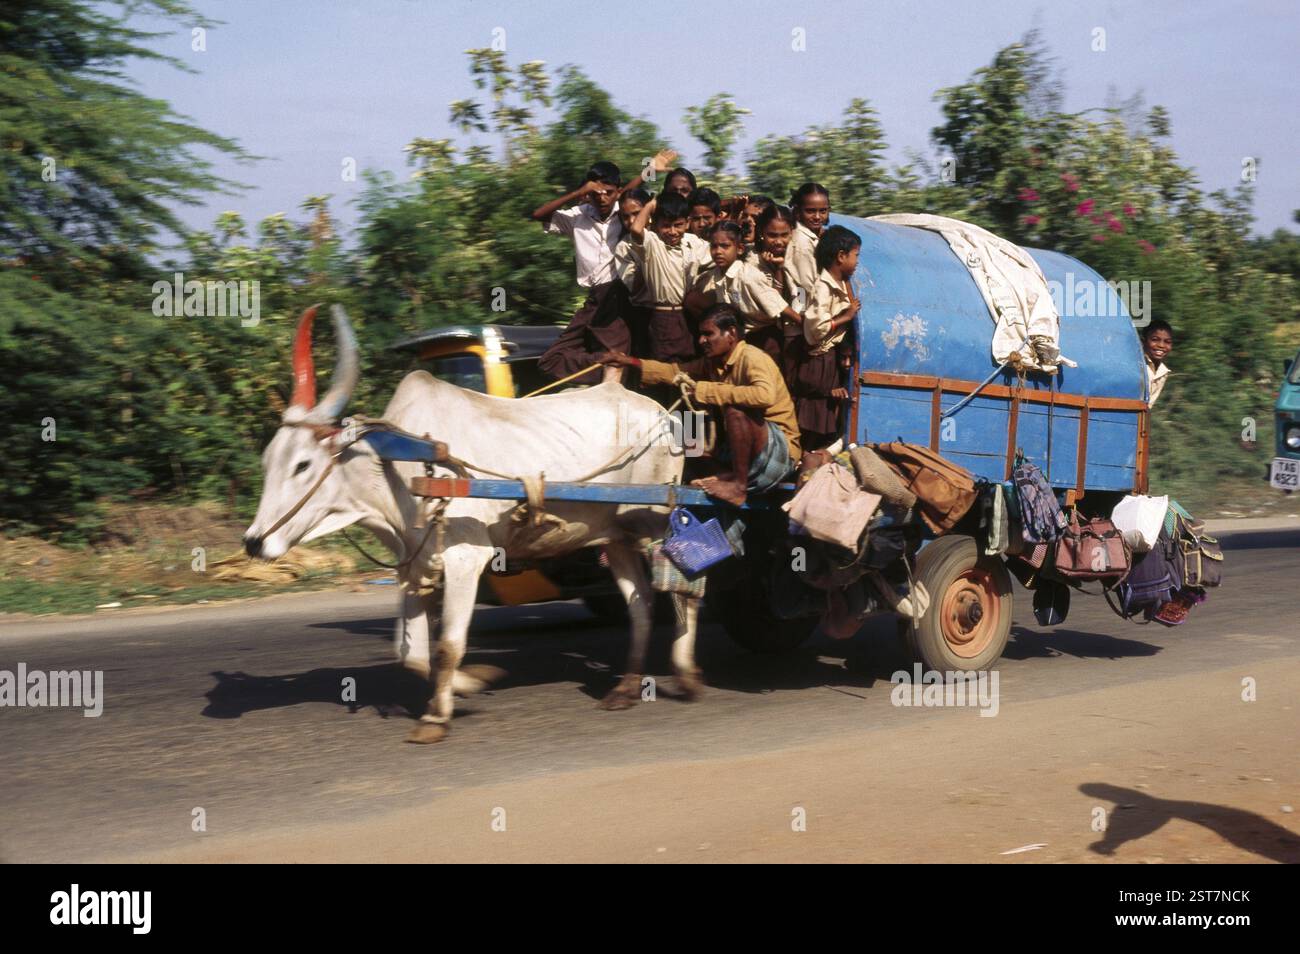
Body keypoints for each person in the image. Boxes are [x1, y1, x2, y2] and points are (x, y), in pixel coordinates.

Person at [598, 305, 801, 506]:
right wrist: (630, 362)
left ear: (731, 333)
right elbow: (674, 372)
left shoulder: (753, 358)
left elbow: (764, 395)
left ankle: (738, 487)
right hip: (743, 456)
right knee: (690, 450)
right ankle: (726, 477)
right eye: (700, 334)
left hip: (778, 455)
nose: (701, 340)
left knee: (735, 410)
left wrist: (707, 391)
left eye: (708, 334)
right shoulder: (711, 364)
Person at [530, 153, 673, 384]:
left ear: (616, 192)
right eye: (596, 194)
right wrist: (579, 193)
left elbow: (626, 193)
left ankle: (620, 374)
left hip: (617, 293)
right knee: (550, 360)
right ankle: (610, 366)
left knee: (617, 360)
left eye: (608, 193)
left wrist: (649, 171)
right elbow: (538, 214)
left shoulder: (622, 213)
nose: (603, 198)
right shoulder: (578, 215)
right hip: (594, 298)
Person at [684, 221, 802, 361]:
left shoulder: (748, 276)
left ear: (739, 249)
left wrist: (805, 330)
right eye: (714, 246)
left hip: (765, 338)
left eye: (725, 246)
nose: (718, 252)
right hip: (744, 338)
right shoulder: (717, 275)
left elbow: (780, 305)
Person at [793, 224, 861, 450]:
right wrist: (846, 316)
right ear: (841, 257)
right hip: (818, 361)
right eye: (856, 255)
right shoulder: (823, 287)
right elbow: (815, 327)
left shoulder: (841, 283)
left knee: (827, 417)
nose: (857, 261)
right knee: (814, 417)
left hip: (829, 360)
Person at [626, 193, 712, 365]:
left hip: (686, 316)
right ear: (656, 225)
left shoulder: (692, 242)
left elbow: (715, 256)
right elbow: (636, 229)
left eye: (678, 225)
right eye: (666, 226)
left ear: (687, 223)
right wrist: (651, 205)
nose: (672, 232)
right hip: (662, 317)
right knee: (664, 366)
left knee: (689, 364)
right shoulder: (652, 243)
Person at [785, 182, 831, 310]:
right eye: (810, 211)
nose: (817, 217)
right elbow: (808, 286)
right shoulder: (802, 243)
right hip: (806, 314)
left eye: (823, 211)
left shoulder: (815, 237)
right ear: (798, 211)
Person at [1141, 319, 1173, 406]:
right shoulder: (1137, 365)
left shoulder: (1163, 372)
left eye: (1167, 342)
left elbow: (1148, 407)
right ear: (1143, 342)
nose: (1161, 345)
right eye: (1155, 340)